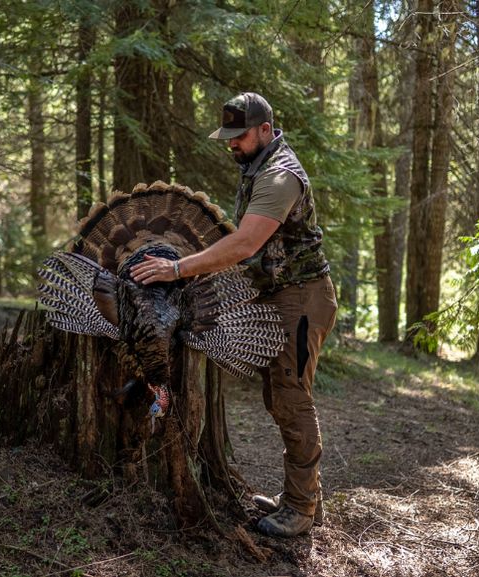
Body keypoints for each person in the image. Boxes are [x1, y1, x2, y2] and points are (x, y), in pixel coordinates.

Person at [130, 92, 337, 537]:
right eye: (229, 137)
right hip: (283, 297)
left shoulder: (280, 177)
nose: (232, 145)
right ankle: (303, 497)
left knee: (290, 399)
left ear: (265, 129)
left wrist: (178, 268)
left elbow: (244, 245)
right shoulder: (258, 167)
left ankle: (301, 509)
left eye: (239, 136)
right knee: (281, 397)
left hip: (301, 300)